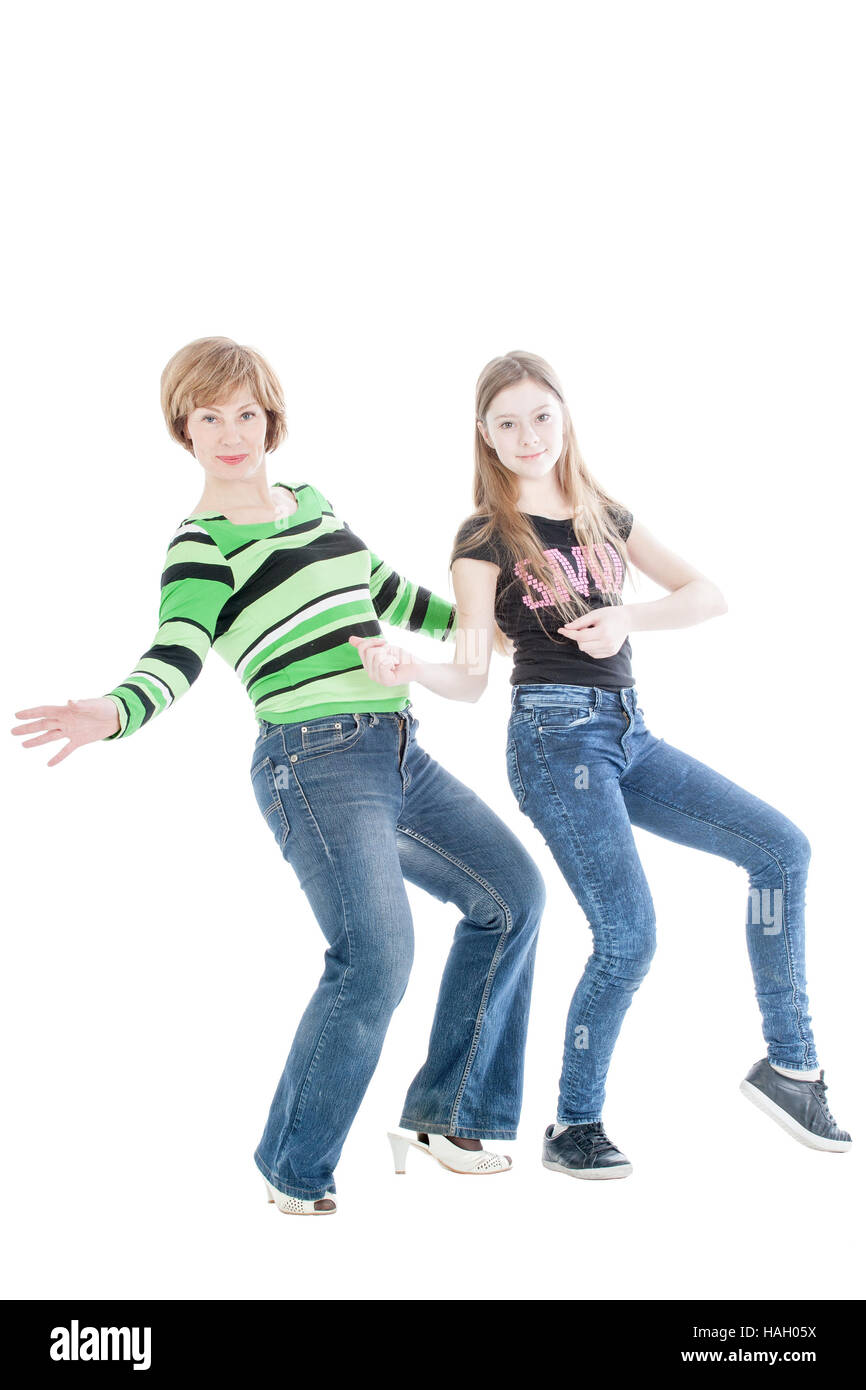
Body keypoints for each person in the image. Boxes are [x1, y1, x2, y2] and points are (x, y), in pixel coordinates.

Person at [12, 337, 545, 1214]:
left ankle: (443, 1113)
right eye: (210, 417)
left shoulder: (311, 500)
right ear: (184, 429)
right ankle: (292, 1169)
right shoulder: (200, 546)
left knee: (513, 896)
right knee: (376, 957)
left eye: (247, 413)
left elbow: (387, 592)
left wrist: (496, 625)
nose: (231, 432)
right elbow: (174, 656)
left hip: (400, 746)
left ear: (272, 420)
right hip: (314, 762)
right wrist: (112, 712)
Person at [351, 348, 852, 1181]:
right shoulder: (483, 535)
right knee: (629, 937)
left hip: (630, 733)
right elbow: (473, 674)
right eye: (506, 423)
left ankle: (792, 1068)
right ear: (485, 434)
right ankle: (574, 1123)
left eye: (541, 416)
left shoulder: (605, 515)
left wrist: (627, 620)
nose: (527, 435)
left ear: (564, 415)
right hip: (553, 741)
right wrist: (413, 668)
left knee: (781, 850)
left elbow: (707, 593)